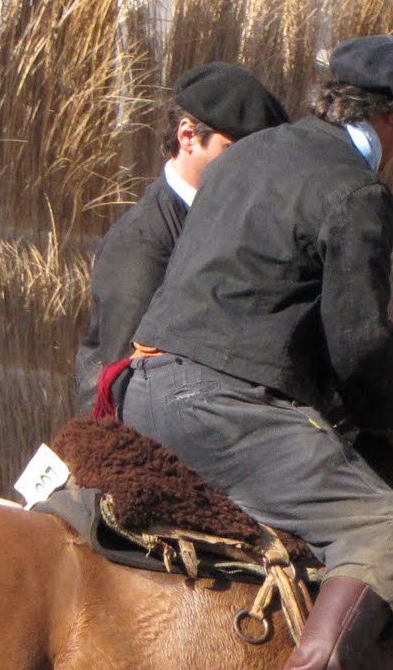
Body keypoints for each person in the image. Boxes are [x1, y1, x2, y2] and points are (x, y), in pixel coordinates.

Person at [121, 35, 393, 670]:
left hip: (145, 388)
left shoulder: (245, 158)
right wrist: (385, 429)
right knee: (387, 532)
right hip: (226, 408)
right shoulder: (356, 192)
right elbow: (360, 337)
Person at [74, 63, 288, 415]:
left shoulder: (234, 222)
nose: (247, 170)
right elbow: (122, 374)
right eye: (232, 151)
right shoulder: (143, 241)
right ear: (188, 135)